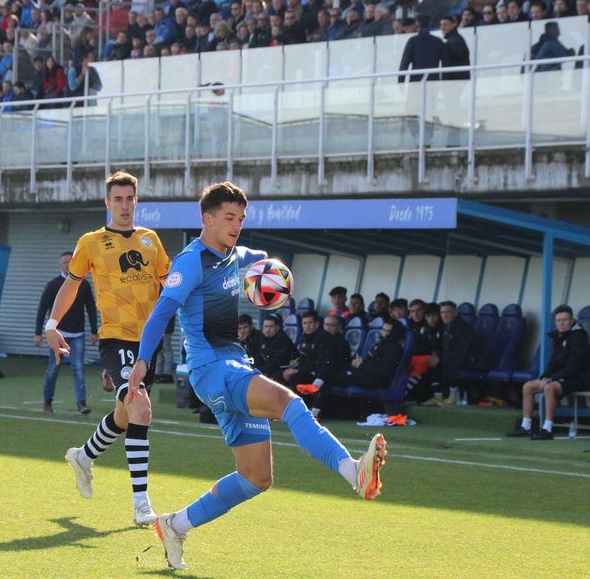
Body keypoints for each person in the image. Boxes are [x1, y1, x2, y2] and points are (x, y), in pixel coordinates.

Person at [128, 182, 387, 570]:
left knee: (256, 477)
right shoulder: (191, 261)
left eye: (242, 218)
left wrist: (271, 272)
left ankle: (174, 525)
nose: (236, 225)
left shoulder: (234, 254)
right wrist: (143, 361)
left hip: (231, 368)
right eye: (229, 218)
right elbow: (162, 311)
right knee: (288, 402)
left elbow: (258, 255)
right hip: (213, 368)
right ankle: (354, 471)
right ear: (207, 218)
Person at [50, 171, 171, 526]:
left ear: (137, 201)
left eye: (129, 199)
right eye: (117, 199)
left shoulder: (151, 241)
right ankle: (141, 503)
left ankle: (84, 457)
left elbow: (169, 290)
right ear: (107, 202)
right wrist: (51, 325)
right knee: (141, 408)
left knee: (125, 415)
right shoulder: (91, 242)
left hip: (148, 340)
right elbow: (71, 286)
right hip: (115, 337)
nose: (124, 205)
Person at [507, 305, 590, 440]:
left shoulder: (579, 338)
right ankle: (526, 426)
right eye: (558, 320)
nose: (561, 323)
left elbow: (574, 367)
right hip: (562, 377)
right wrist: (546, 375)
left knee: (549, 387)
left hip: (578, 379)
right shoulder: (560, 337)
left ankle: (547, 428)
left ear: (571, 321)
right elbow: (554, 361)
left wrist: (552, 379)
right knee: (528, 386)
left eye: (565, 320)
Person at [35, 250, 97, 413]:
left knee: (78, 368)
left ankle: (81, 403)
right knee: (53, 368)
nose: (68, 265)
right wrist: (38, 333)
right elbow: (42, 309)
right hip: (57, 333)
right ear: (60, 264)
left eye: (71, 261)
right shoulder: (53, 285)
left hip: (78, 334)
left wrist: (94, 330)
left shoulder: (83, 284)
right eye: (65, 262)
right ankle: (47, 401)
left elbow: (91, 308)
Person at [438, 301, 479, 404]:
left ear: (455, 313)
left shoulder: (462, 328)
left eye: (448, 312)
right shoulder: (444, 327)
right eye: (442, 312)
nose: (445, 315)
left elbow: (463, 352)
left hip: (466, 362)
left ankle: (454, 396)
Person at [254, 314, 297, 381]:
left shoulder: (283, 340)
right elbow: (258, 356)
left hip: (284, 369)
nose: (268, 329)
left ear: (277, 327)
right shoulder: (263, 338)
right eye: (266, 326)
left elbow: (275, 363)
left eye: (271, 326)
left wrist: (256, 370)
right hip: (271, 369)